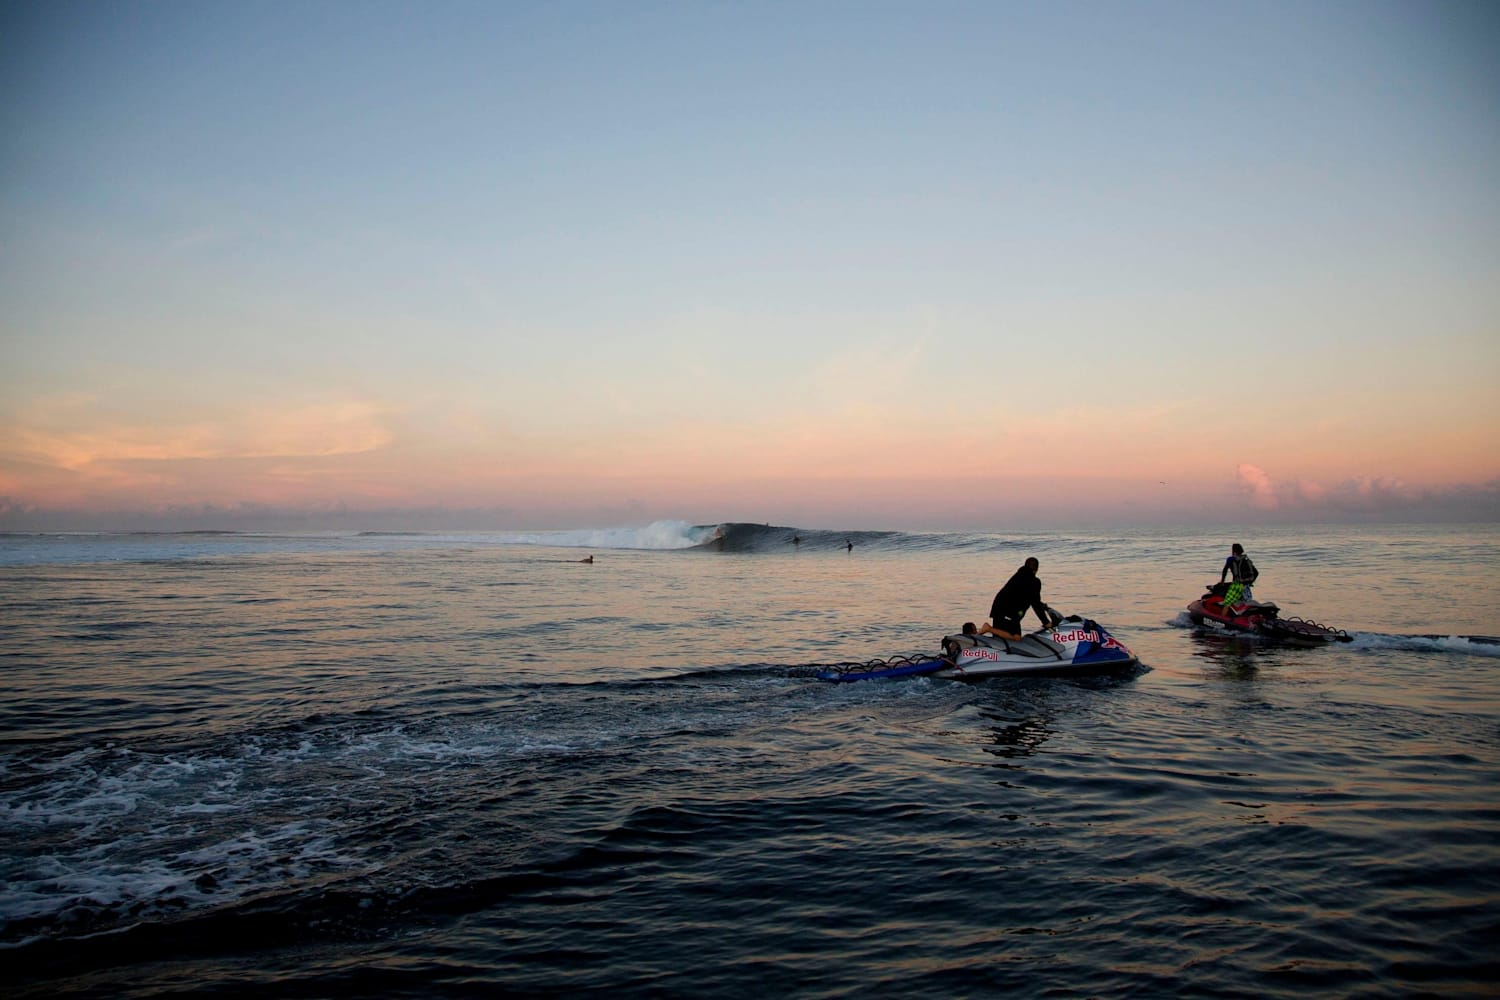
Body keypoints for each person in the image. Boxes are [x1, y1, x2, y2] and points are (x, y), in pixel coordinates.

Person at [977, 557, 1058, 640]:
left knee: (1001, 639)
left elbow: (1023, 596)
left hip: (1000, 607)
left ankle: (984, 633)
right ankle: (988, 628)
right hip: (1008, 612)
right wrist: (1046, 622)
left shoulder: (1019, 575)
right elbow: (1034, 603)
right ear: (1036, 569)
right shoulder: (1034, 582)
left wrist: (1040, 605)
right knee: (1016, 638)